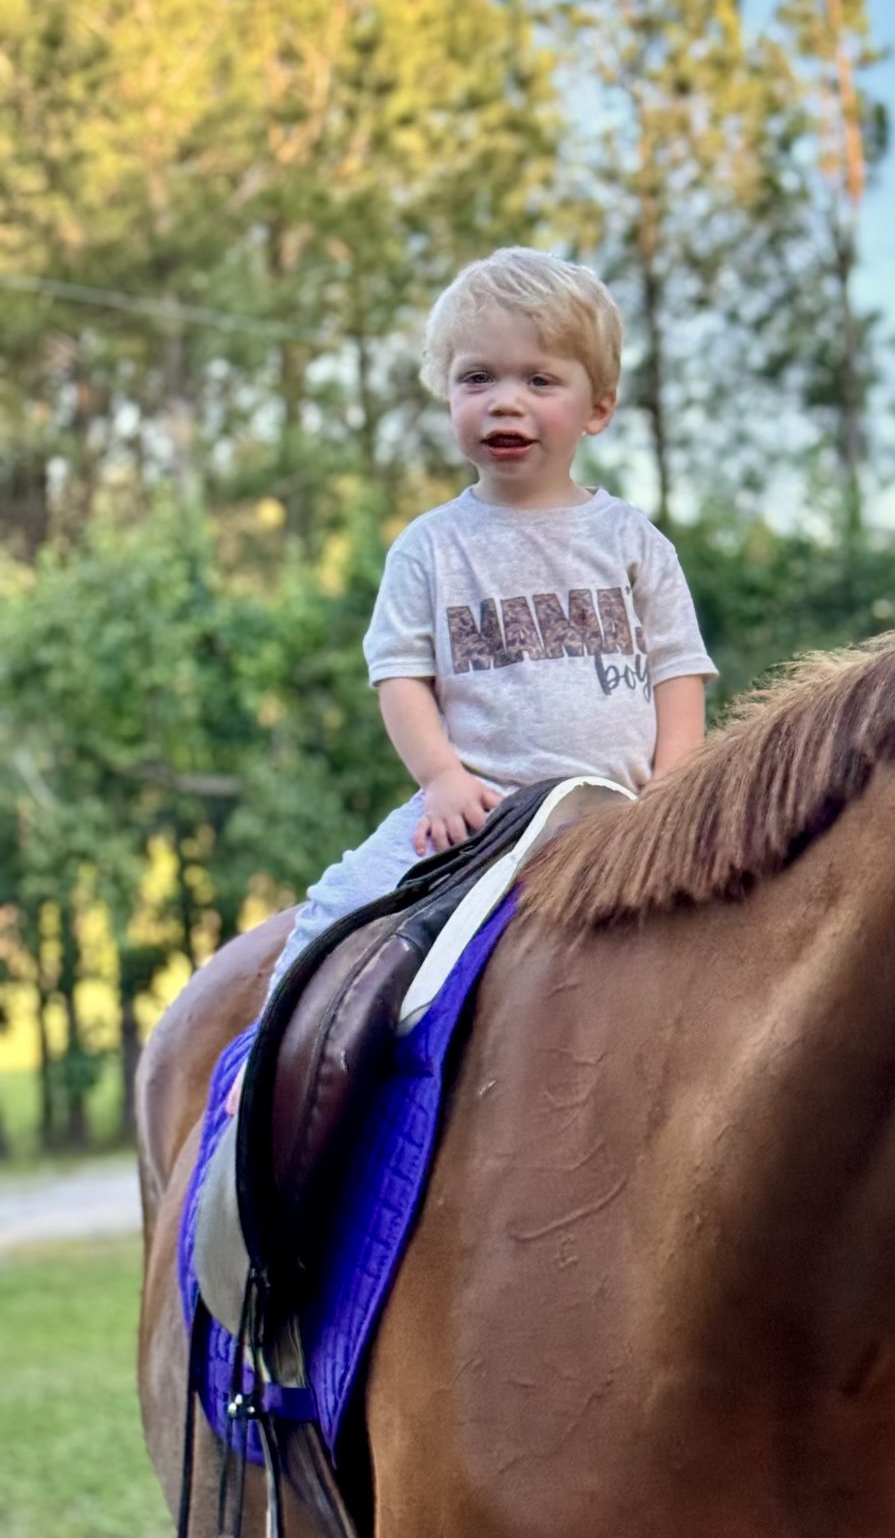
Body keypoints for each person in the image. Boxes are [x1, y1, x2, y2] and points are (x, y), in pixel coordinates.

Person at [263, 245, 715, 1001]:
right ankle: (266, 1055)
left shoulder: (633, 542)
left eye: (539, 380)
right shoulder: (429, 547)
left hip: (619, 813)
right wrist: (441, 778)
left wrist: (672, 793)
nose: (506, 402)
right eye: (478, 378)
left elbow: (678, 672)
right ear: (447, 396)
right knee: (334, 908)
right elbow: (400, 677)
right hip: (476, 816)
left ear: (598, 408)